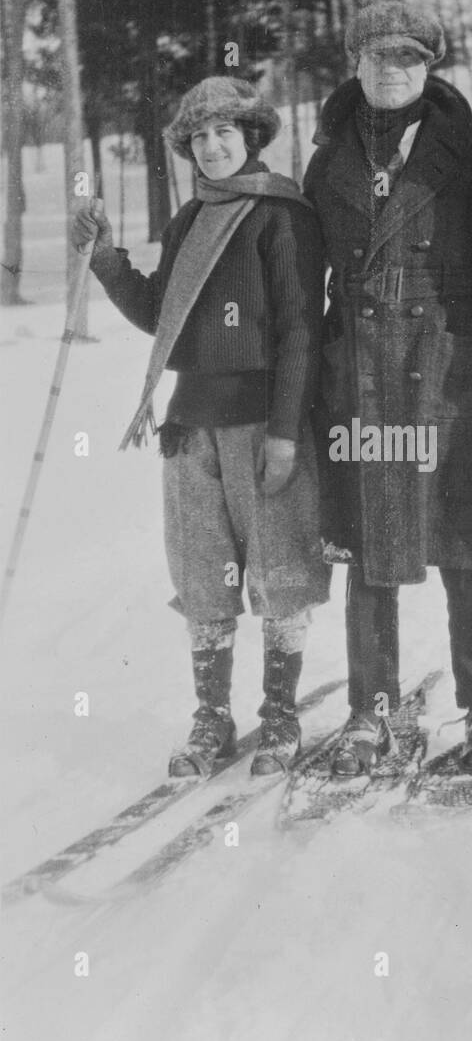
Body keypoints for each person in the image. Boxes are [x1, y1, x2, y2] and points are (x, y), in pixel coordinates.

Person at [72, 77, 330, 778]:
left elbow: (302, 331)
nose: (213, 146)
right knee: (202, 578)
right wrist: (103, 258)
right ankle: (212, 718)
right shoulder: (190, 219)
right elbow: (162, 312)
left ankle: (279, 718)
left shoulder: (282, 215)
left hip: (263, 421)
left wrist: (284, 432)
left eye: (226, 132)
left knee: (279, 573)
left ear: (250, 136)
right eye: (199, 136)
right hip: (191, 425)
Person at [304, 1, 472, 777]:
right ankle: (371, 711)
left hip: (451, 372)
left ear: (428, 68)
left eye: (405, 58)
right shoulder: (330, 156)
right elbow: (303, 276)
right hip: (361, 373)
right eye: (374, 56)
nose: (388, 71)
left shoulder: (471, 151)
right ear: (354, 64)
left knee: (465, 545)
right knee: (371, 547)